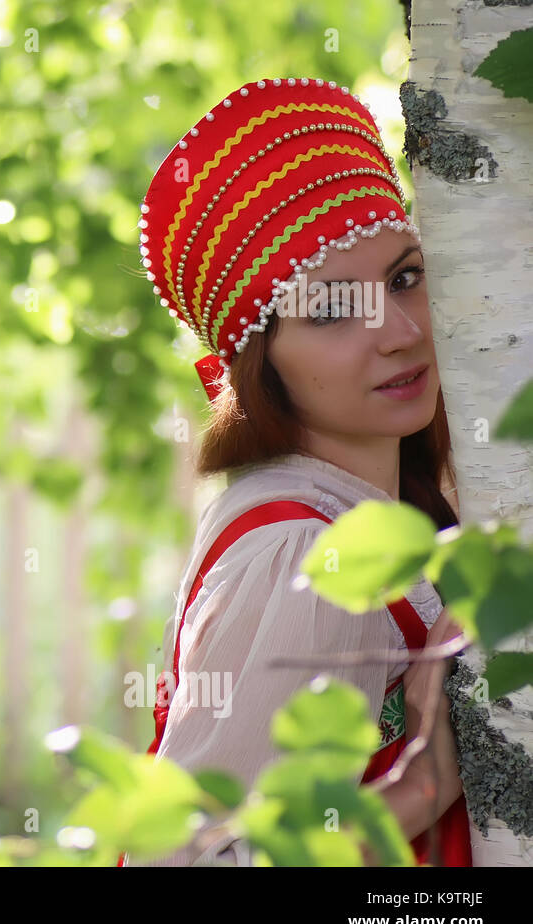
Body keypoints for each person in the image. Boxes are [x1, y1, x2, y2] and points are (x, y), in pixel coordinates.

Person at [120, 77, 473, 866]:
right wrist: (422, 784)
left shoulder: (381, 509)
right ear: (258, 364)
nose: (398, 333)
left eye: (404, 278)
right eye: (332, 310)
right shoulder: (310, 560)